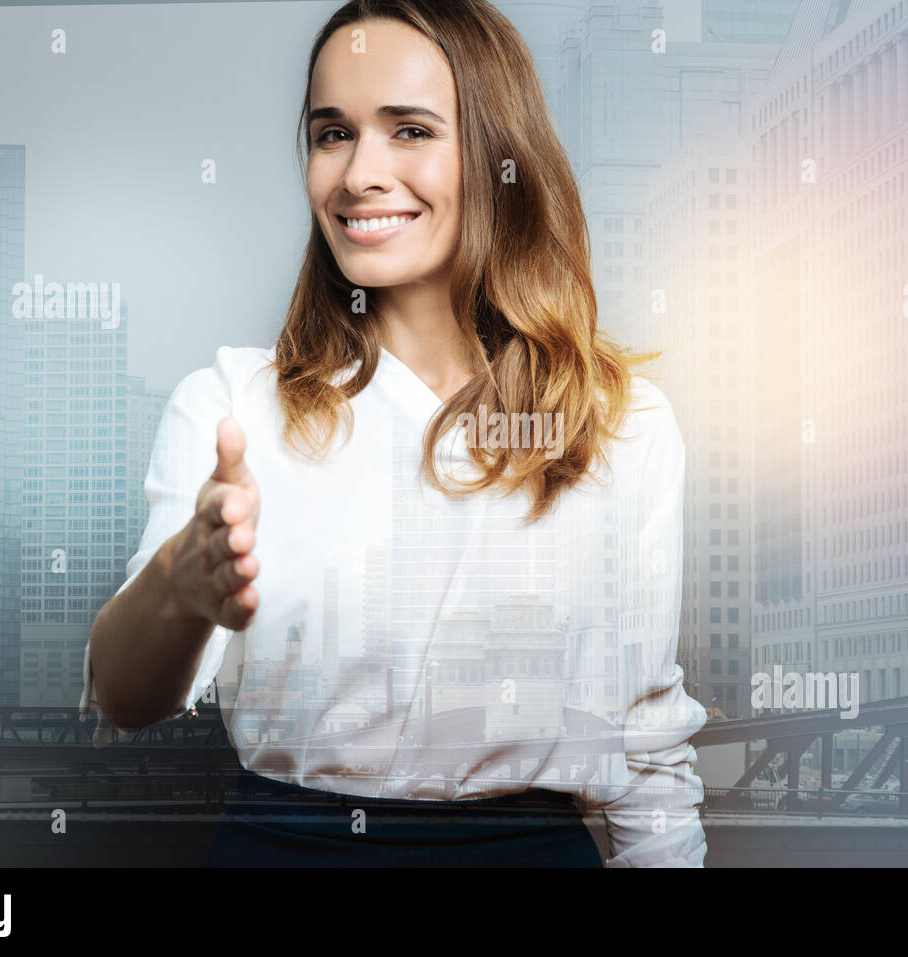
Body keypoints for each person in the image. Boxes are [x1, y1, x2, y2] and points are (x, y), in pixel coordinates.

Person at [81, 0, 707, 868]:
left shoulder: (624, 426)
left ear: (497, 155)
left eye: (409, 130)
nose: (358, 174)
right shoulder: (232, 404)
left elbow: (647, 754)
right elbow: (124, 695)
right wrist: (179, 585)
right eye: (332, 134)